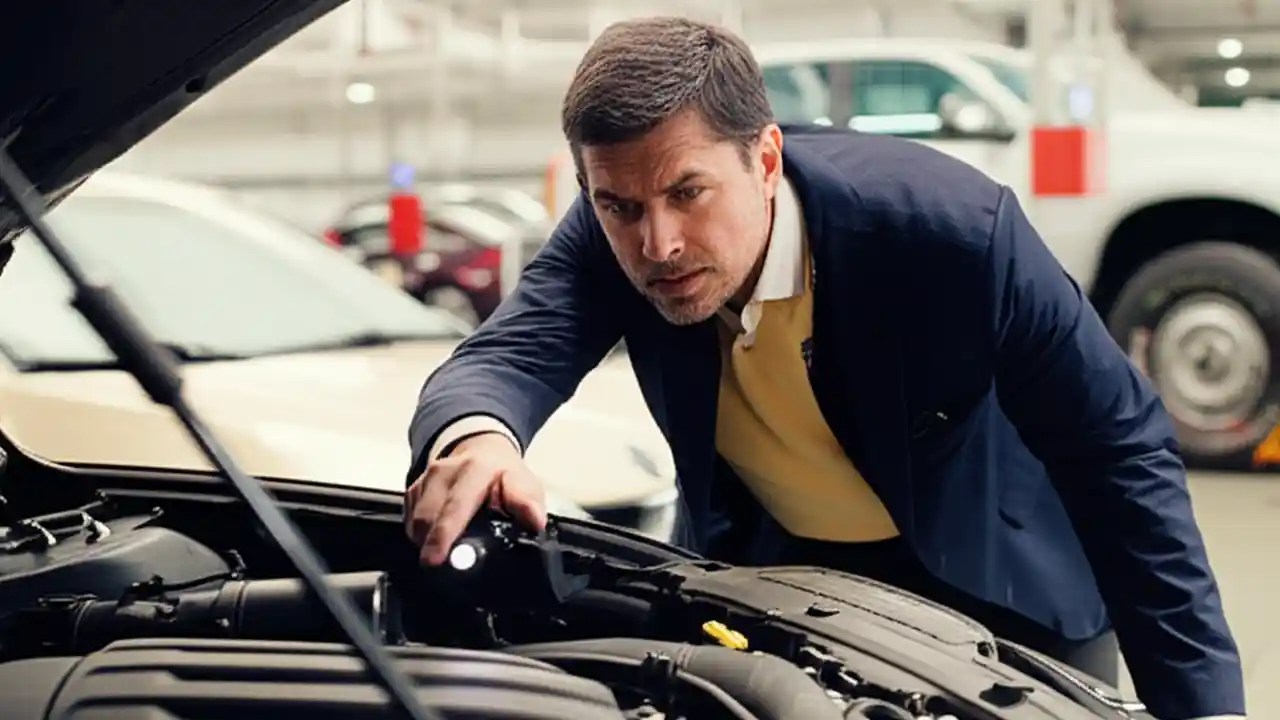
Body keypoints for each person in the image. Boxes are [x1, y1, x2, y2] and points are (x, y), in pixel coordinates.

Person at [402, 16, 1244, 720]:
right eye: (619, 206)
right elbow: (505, 356)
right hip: (787, 588)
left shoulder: (952, 233)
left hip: (1006, 593)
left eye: (688, 194)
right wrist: (476, 437)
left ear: (765, 160)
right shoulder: (609, 230)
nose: (656, 244)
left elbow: (1118, 454)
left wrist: (1202, 709)